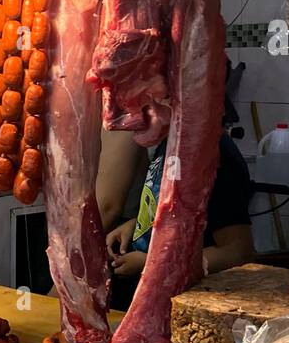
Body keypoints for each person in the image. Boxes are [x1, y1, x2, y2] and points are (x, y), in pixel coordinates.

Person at [104, 131, 255, 308]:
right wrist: (137, 224)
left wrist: (151, 263)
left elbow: (237, 252)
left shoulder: (212, 152)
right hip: (142, 296)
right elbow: (174, 209)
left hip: (178, 305)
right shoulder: (168, 142)